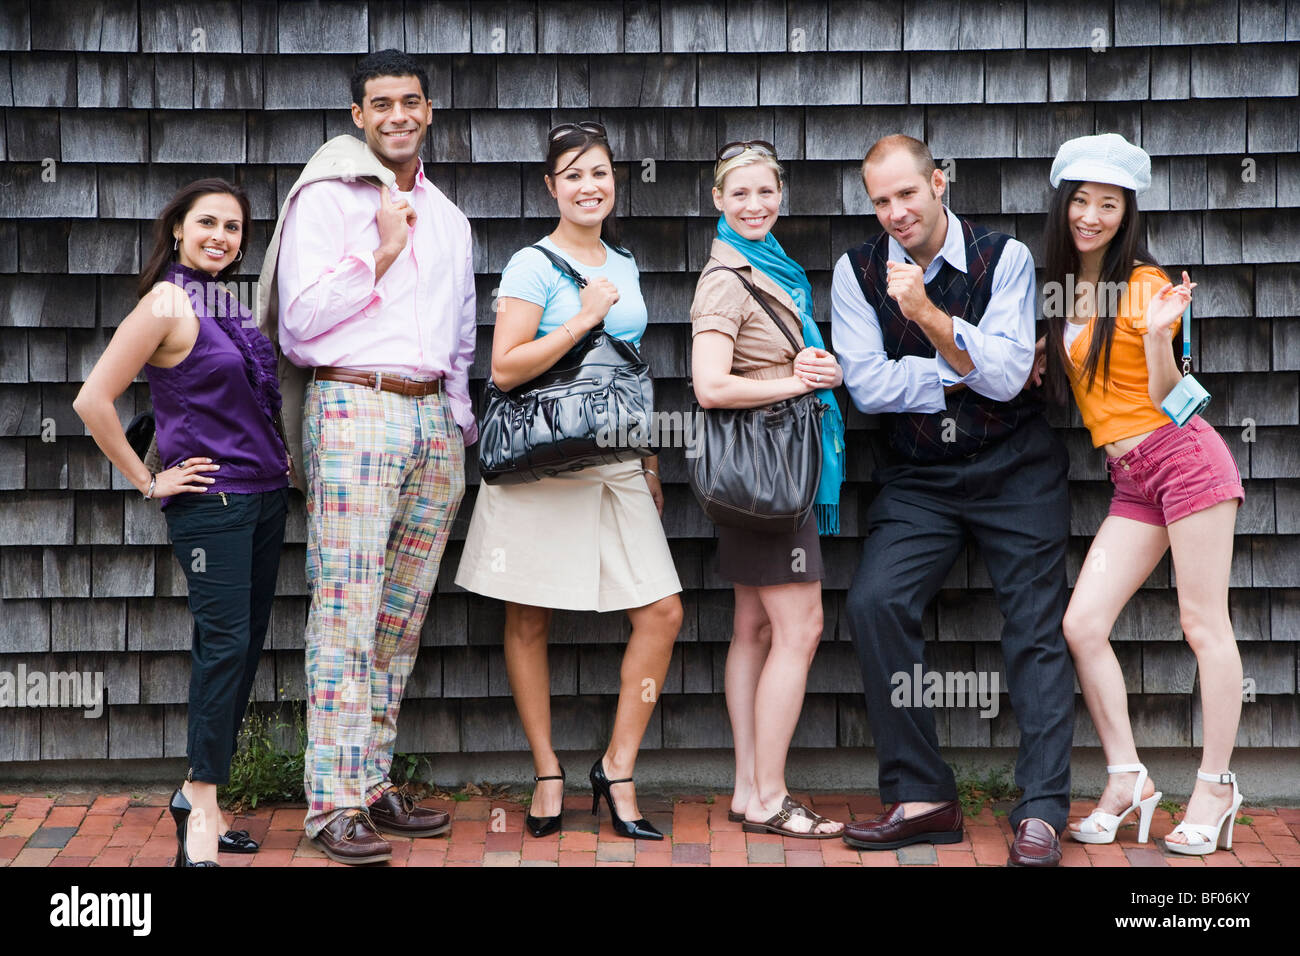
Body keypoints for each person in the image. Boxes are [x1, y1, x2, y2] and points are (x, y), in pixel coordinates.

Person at [833, 134, 1074, 866]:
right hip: (921, 477)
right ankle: (923, 796)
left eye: (908, 193)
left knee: (1036, 625)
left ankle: (1041, 809)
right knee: (875, 602)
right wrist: (961, 368)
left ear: (939, 182)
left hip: (1015, 466)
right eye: (881, 201)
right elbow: (868, 387)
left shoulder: (1005, 258)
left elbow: (1007, 383)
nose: (896, 212)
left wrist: (933, 322)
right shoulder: (857, 271)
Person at [266, 49, 477, 864]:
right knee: (346, 613)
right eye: (380, 104)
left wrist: (455, 418)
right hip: (354, 405)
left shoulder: (452, 217)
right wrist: (381, 251)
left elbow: (461, 331)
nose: (397, 115)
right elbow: (299, 325)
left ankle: (373, 779)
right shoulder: (328, 198)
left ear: (428, 111)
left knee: (400, 619)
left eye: (411, 102)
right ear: (358, 116)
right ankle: (332, 802)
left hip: (431, 423)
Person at [455, 122, 682, 841]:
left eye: (601, 173)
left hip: (613, 458)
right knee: (529, 615)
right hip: (538, 461)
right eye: (574, 175)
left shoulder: (625, 261)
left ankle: (617, 767)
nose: (590, 186)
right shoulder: (533, 264)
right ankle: (547, 770)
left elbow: (630, 371)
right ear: (552, 187)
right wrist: (583, 317)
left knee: (663, 611)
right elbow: (506, 367)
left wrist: (648, 462)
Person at [1034, 133, 1245, 856]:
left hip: (1184, 460)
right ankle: (1129, 779)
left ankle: (1216, 786)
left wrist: (1160, 339)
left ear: (1127, 213)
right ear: (1065, 206)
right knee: (1083, 625)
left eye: (1109, 204)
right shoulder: (1065, 289)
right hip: (1132, 478)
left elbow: (1173, 398)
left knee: (1202, 624)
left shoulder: (1149, 285)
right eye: (1082, 202)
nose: (1092, 216)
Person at [73, 179, 291, 866]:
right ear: (177, 230)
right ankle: (198, 800)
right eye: (207, 223)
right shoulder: (165, 301)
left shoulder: (223, 300)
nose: (221, 236)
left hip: (264, 497)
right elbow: (93, 400)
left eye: (233, 227)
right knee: (223, 648)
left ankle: (207, 796)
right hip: (213, 507)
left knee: (245, 647)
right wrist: (148, 479)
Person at [688, 140, 846, 839]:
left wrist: (800, 366)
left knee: (753, 627)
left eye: (766, 191)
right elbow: (710, 385)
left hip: (766, 469)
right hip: (769, 471)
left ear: (781, 194)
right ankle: (772, 795)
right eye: (739, 194)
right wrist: (802, 382)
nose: (755, 205)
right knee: (800, 628)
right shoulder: (728, 277)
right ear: (718, 201)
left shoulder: (768, 268)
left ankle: (749, 787)